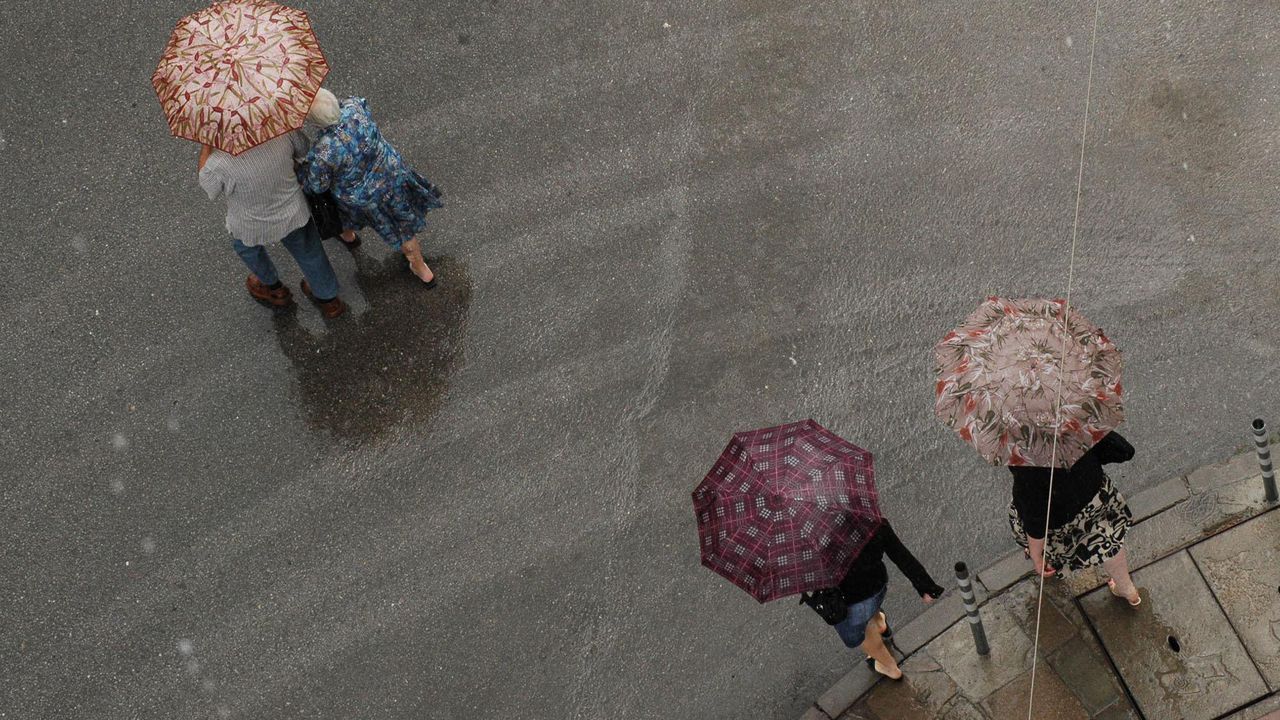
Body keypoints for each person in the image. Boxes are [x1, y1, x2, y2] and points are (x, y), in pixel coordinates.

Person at [300, 88, 444, 286]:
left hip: (362, 199)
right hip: (391, 174)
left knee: (343, 212)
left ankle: (349, 237)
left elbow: (316, 186)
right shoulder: (354, 108)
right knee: (402, 227)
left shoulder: (323, 151)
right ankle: (421, 269)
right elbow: (360, 102)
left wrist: (301, 172)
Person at [198, 133, 347, 318]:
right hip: (292, 212)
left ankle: (274, 288)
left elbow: (208, 186)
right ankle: (329, 300)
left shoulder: (219, 161)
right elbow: (303, 150)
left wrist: (206, 145)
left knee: (246, 249)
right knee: (309, 251)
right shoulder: (282, 133)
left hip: (250, 223)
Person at [1008, 430, 1141, 606]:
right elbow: (1119, 447)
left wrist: (1036, 554)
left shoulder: (1025, 456)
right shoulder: (1068, 420)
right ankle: (1127, 589)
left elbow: (1035, 516)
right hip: (1094, 492)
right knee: (1109, 541)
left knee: (1044, 546)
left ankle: (1047, 558)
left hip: (1058, 515)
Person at [805, 520, 944, 680]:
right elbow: (901, 556)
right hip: (877, 585)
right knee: (871, 608)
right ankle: (879, 622)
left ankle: (889, 667)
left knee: (865, 635)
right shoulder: (872, 522)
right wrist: (926, 586)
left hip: (851, 604)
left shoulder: (815, 546)